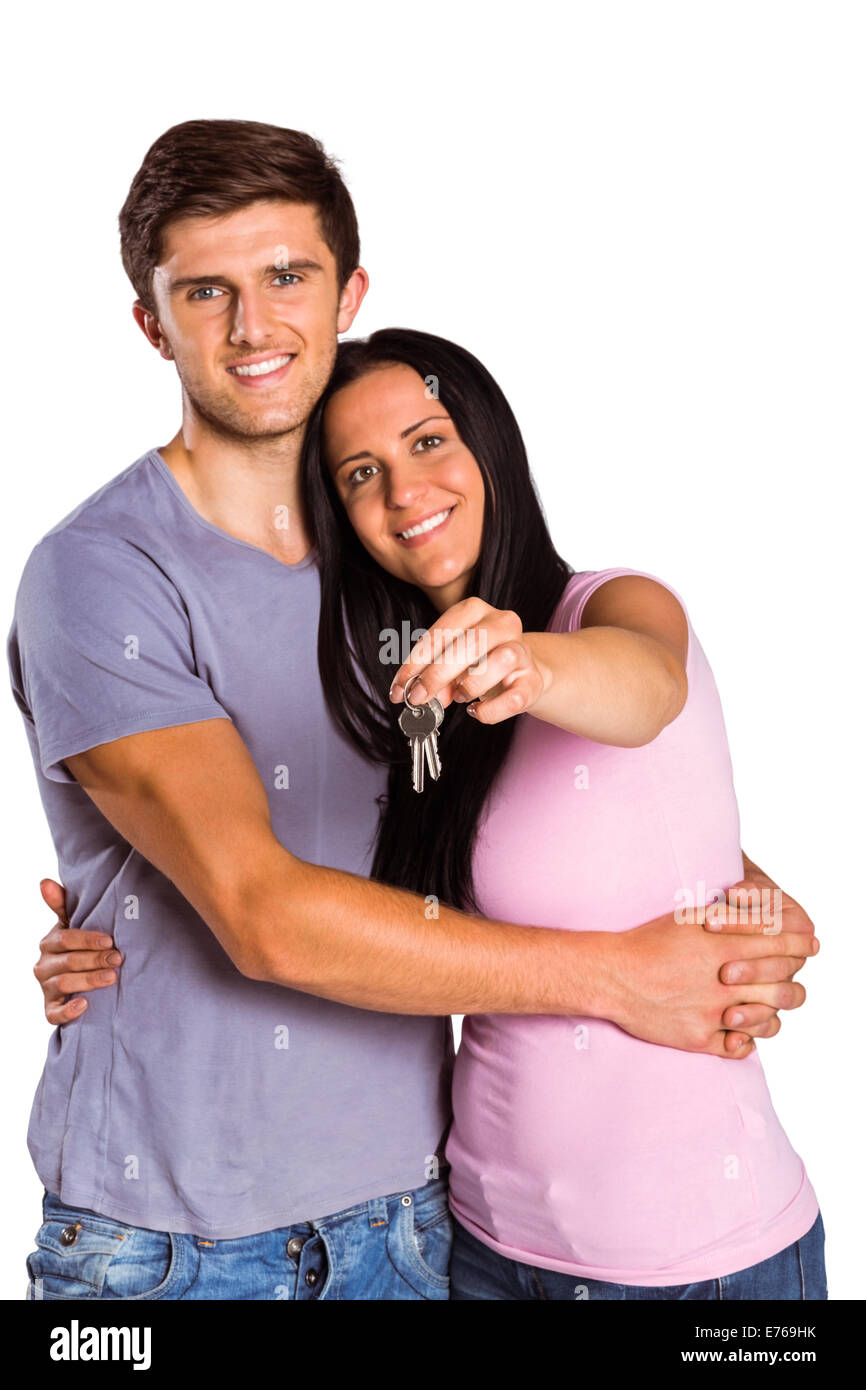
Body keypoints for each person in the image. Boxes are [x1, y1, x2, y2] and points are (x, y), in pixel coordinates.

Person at [12, 120, 817, 1302]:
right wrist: (614, 975)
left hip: (418, 1215)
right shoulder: (101, 572)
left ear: (347, 290)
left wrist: (732, 888)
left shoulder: (397, 572)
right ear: (152, 321)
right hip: (182, 1246)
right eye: (205, 291)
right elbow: (265, 916)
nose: (252, 327)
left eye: (286, 275)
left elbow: (550, 776)